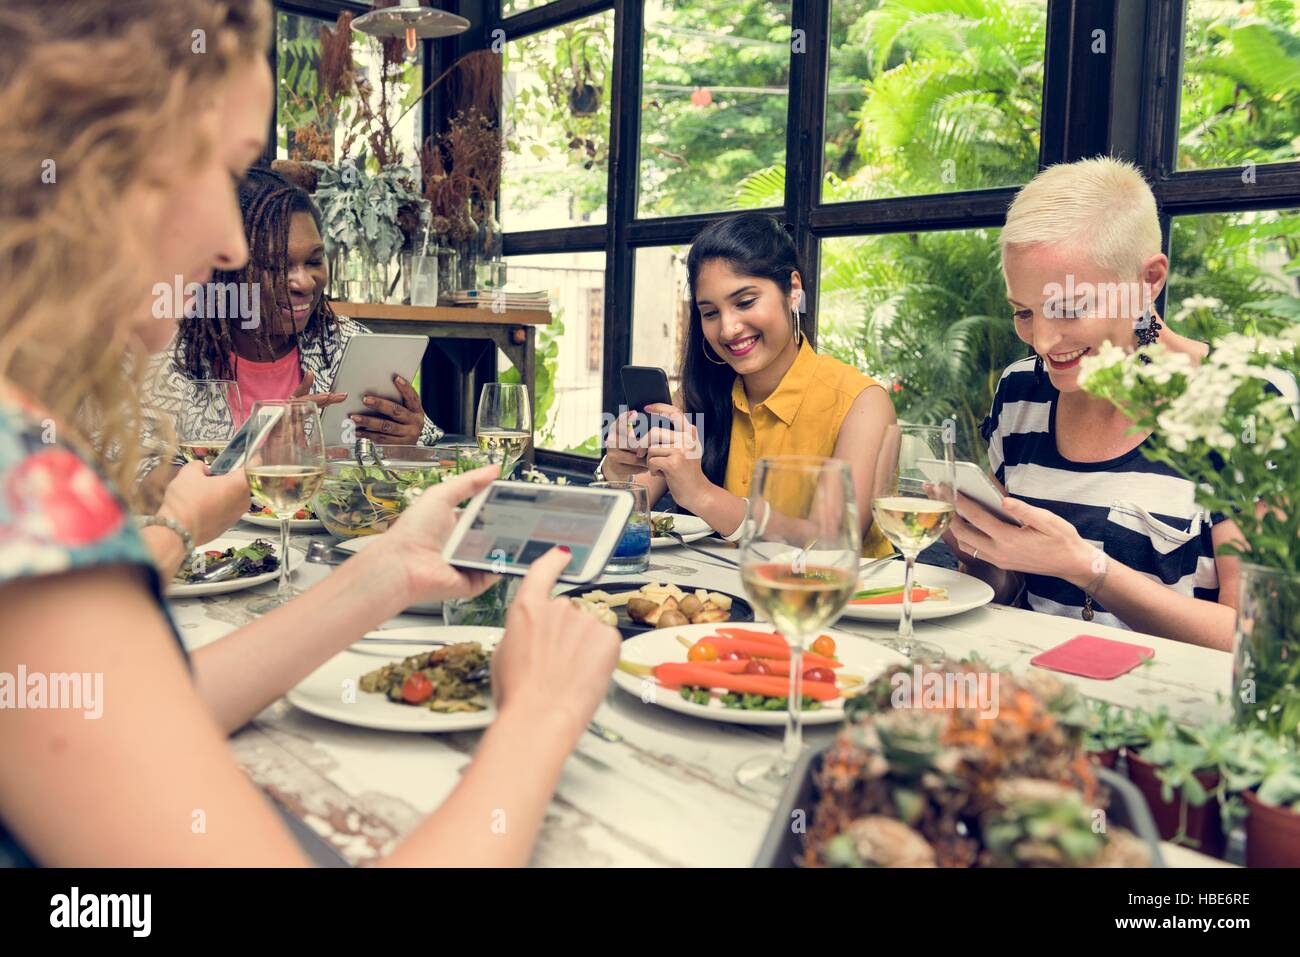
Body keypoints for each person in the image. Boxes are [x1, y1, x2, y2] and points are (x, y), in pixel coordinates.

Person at [0, 0, 619, 867]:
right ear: (102, 167)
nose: (226, 243)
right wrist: (542, 714)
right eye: (221, 170)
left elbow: (143, 703)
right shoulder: (25, 507)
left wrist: (389, 569)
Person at [943, 156, 1245, 651]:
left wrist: (1087, 567)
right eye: (1024, 312)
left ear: (1148, 281)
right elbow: (1010, 591)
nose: (1042, 341)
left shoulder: (1242, 404)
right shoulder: (1022, 391)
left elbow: (1258, 640)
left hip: (1169, 716)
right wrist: (982, 551)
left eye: (1069, 308)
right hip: (1036, 704)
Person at [138, 165, 443, 504]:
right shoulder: (160, 355)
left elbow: (414, 466)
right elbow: (133, 483)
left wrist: (405, 447)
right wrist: (256, 459)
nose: (304, 283)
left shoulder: (345, 344)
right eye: (276, 267)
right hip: (208, 551)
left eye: (314, 261)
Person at [598, 213, 897, 556]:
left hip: (840, 605)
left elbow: (832, 542)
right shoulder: (696, 396)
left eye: (745, 302)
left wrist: (703, 495)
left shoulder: (861, 403)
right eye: (710, 313)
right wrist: (617, 469)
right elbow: (622, 512)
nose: (727, 329)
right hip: (723, 597)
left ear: (793, 290)